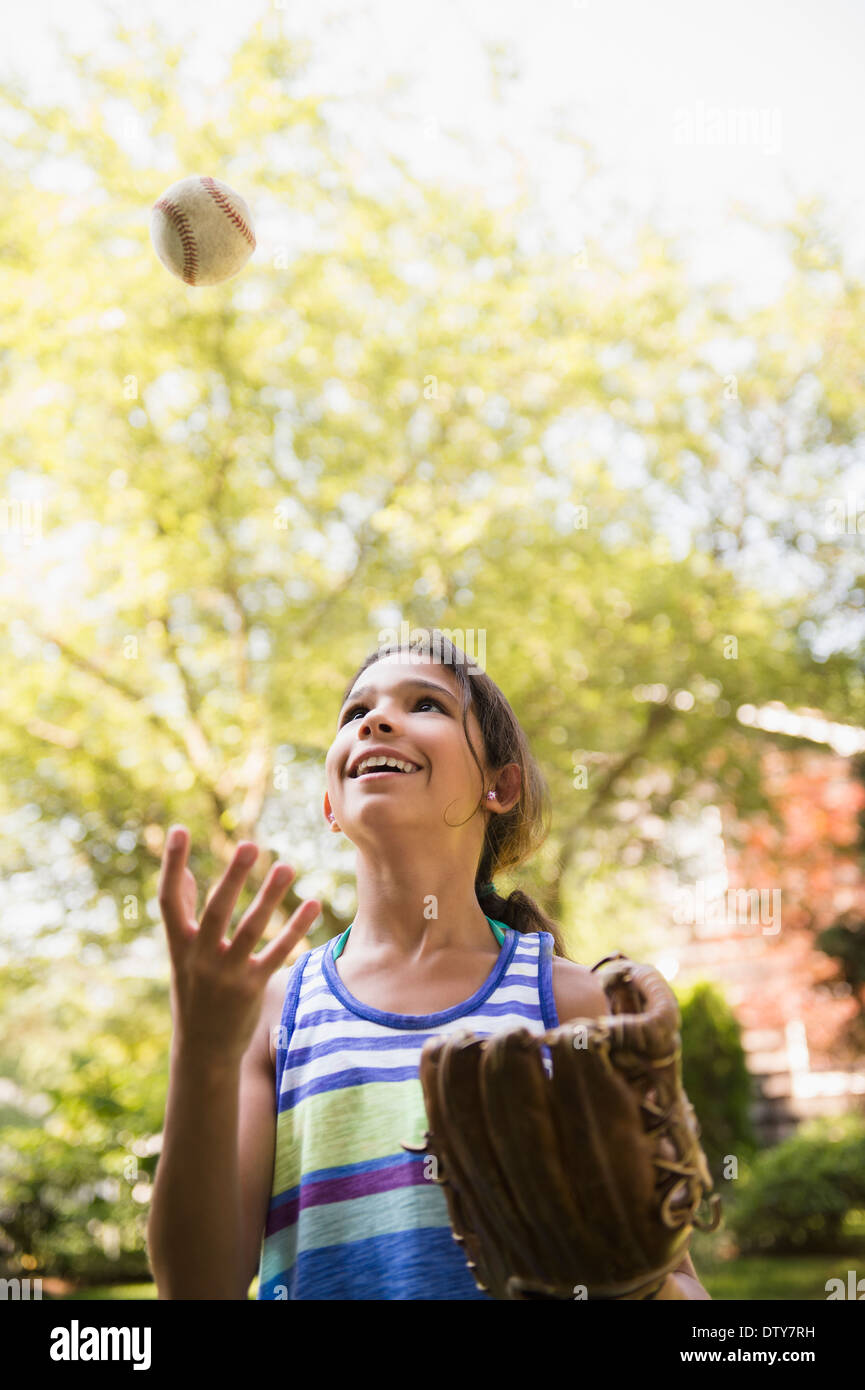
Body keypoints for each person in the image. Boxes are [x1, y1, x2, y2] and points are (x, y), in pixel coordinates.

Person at [147, 628, 709, 1300]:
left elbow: (678, 1284)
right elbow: (196, 1285)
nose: (377, 720)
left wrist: (633, 1282)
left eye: (426, 705)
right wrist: (202, 1051)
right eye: (356, 713)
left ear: (499, 786)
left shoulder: (574, 1003)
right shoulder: (273, 1012)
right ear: (331, 803)